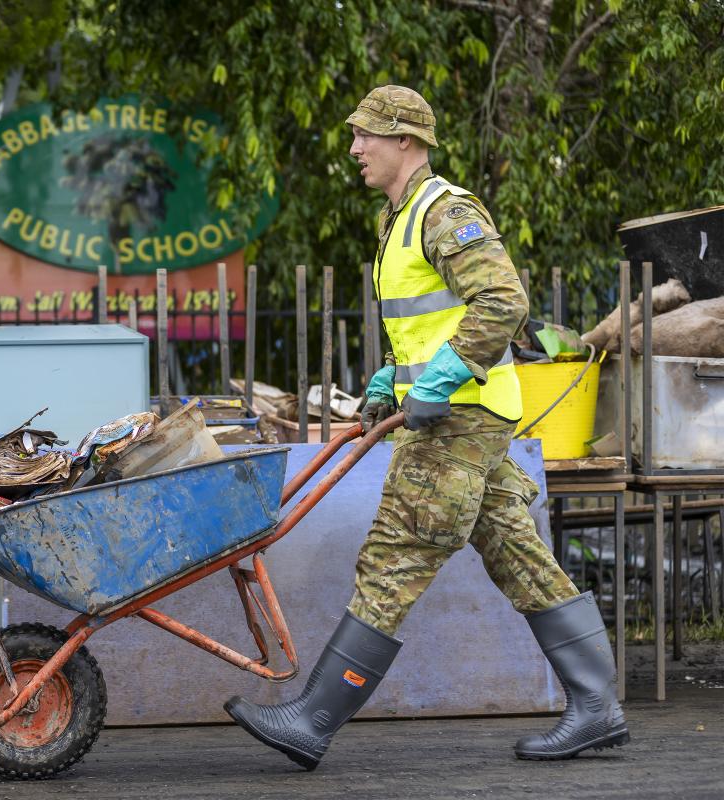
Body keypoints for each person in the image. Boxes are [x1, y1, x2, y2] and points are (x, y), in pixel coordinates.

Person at [225, 85, 629, 770]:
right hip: (461, 416)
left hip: (458, 420)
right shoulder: (400, 217)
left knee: (395, 554)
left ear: (405, 140)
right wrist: (394, 377)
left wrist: (440, 380)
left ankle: (312, 721)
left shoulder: (445, 212)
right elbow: (428, 325)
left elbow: (502, 301)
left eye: (366, 135)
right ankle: (598, 708)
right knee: (517, 554)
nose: (354, 148)